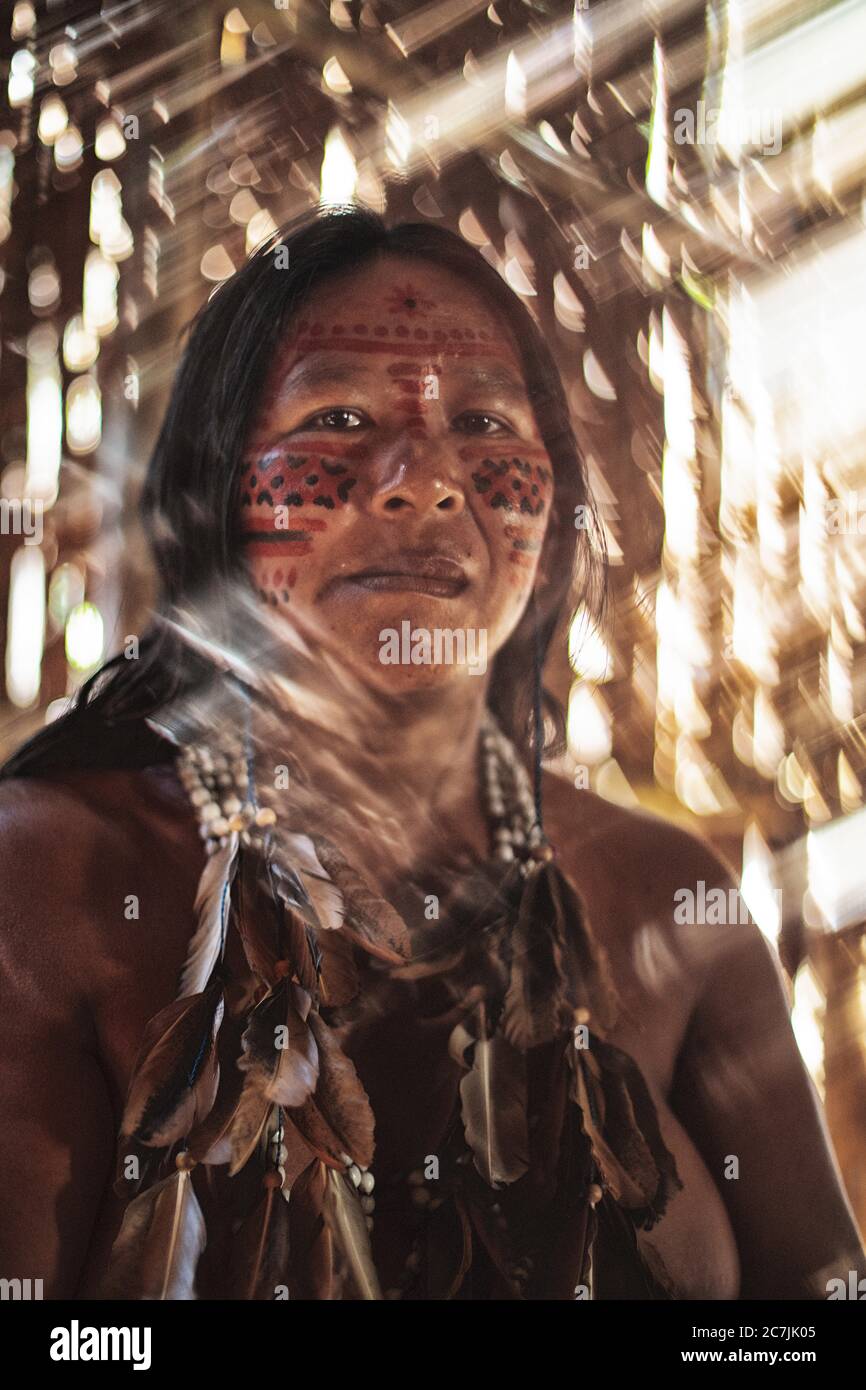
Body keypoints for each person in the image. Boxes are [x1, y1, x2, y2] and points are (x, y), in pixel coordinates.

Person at [0, 206, 863, 1301]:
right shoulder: (47, 878)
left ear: (551, 524)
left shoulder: (665, 894)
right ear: (216, 489)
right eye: (339, 412)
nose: (421, 476)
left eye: (487, 426)